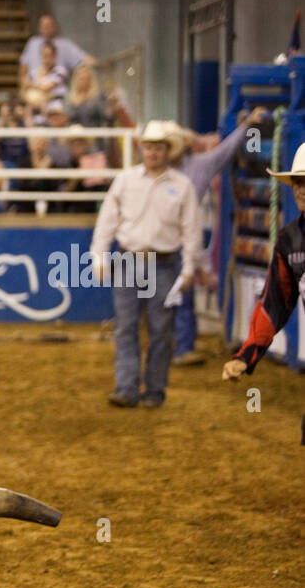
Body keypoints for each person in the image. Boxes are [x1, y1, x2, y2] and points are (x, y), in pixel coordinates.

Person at [90, 120, 202, 408]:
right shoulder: (126, 180)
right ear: (142, 149)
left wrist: (189, 268)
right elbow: (107, 221)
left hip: (164, 264)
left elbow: (191, 231)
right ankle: (127, 388)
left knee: (161, 331)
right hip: (128, 260)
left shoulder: (183, 185)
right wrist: (99, 255)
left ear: (168, 150)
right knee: (126, 327)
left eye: (158, 147)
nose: (153, 152)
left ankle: (154, 390)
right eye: (149, 147)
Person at [166, 108, 268, 366]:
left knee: (177, 293)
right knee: (173, 294)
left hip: (176, 239)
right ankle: (177, 345)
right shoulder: (191, 167)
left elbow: (224, 152)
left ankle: (179, 346)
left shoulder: (194, 166)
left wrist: (245, 127)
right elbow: (223, 153)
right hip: (166, 239)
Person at [222, 141, 305, 443]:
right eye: (298, 182)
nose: (302, 190)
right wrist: (247, 355)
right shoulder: (290, 240)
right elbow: (275, 303)